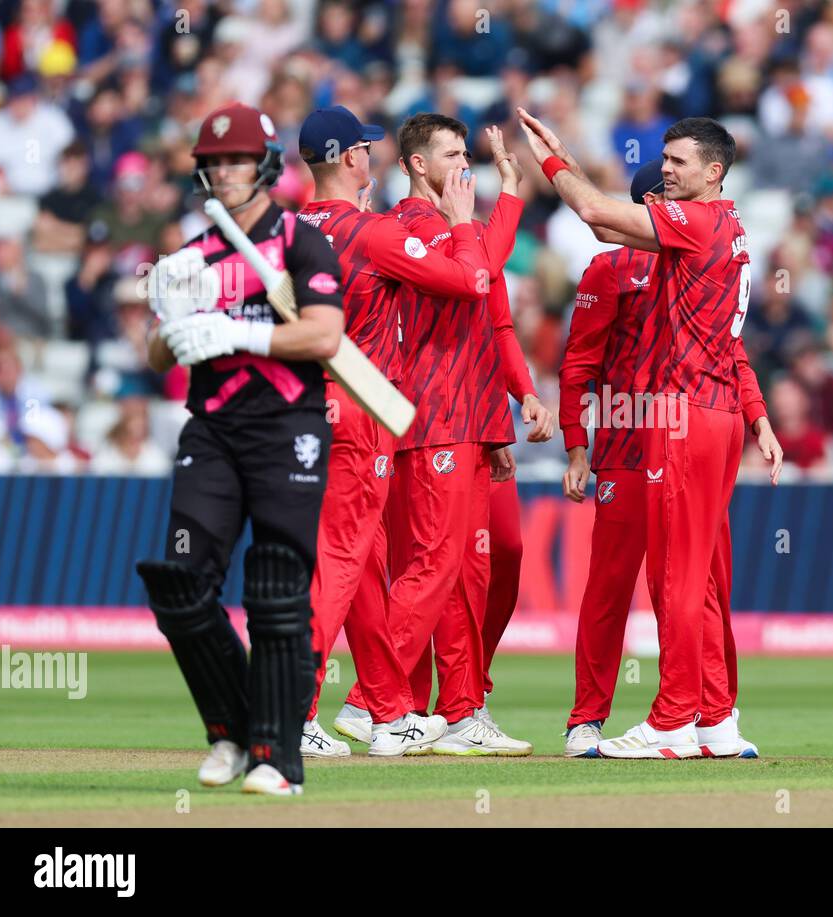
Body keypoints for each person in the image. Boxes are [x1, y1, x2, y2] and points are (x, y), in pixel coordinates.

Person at [518, 109, 782, 758]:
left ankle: (672, 720)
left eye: (678, 163)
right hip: (706, 416)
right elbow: (587, 356)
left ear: (713, 172)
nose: (666, 173)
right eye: (662, 165)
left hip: (683, 416)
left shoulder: (691, 225)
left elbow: (594, 213)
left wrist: (555, 158)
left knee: (680, 577)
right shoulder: (730, 228)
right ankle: (716, 721)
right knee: (693, 577)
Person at [135, 102, 345, 796]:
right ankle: (230, 730)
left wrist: (238, 335)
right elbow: (158, 349)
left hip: (288, 428)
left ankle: (277, 757)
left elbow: (323, 337)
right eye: (215, 160)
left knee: (277, 591)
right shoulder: (191, 255)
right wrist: (173, 319)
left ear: (264, 165)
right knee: (180, 581)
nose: (226, 170)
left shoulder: (300, 240)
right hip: (214, 430)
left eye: (237, 159)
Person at [294, 105, 508, 759]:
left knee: (352, 567)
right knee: (339, 565)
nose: (369, 156)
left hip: (298, 409)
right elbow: (473, 281)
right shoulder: (368, 231)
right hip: (358, 408)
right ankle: (292, 710)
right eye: (364, 148)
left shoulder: (290, 227)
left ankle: (388, 713)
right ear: (353, 159)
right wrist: (467, 223)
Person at [337, 112, 551, 756]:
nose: (465, 165)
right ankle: (369, 701)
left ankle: (461, 709)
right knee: (436, 564)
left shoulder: (457, 231)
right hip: (434, 413)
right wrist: (510, 198)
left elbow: (496, 319)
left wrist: (518, 396)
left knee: (466, 571)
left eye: (468, 154)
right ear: (416, 165)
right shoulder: (413, 225)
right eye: (452, 154)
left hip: (468, 413)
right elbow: (478, 274)